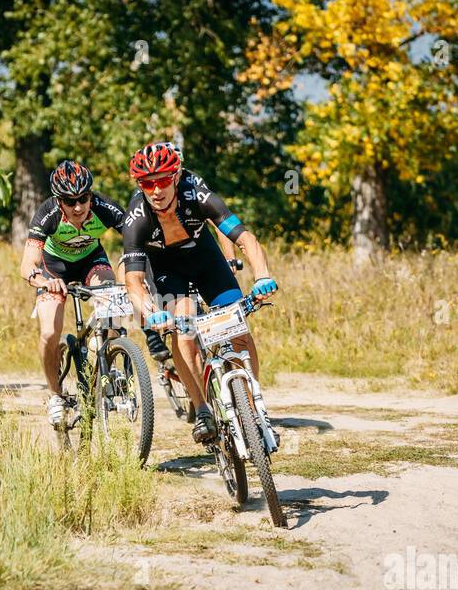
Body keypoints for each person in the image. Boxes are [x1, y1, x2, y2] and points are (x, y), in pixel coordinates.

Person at [119, 142, 279, 444]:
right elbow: (134, 283)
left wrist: (262, 276)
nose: (156, 190)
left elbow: (246, 238)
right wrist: (153, 314)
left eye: (163, 180)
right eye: (147, 183)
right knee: (184, 327)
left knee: (238, 329)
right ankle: (203, 408)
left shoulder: (198, 194)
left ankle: (254, 404)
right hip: (167, 268)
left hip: (205, 259)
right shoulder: (136, 218)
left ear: (176, 176)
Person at [18, 159, 128, 426]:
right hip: (54, 269)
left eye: (83, 198)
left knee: (114, 301)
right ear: (59, 201)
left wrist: (132, 271)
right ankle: (55, 395)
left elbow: (136, 238)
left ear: (91, 195)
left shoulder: (104, 207)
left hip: (92, 260)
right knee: (48, 333)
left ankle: (105, 356)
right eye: (70, 201)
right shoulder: (47, 214)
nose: (78, 206)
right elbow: (27, 264)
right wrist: (43, 281)